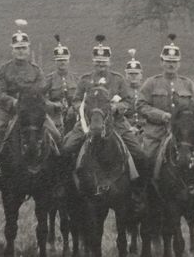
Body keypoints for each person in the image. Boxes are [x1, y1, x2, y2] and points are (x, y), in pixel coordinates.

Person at [0, 20, 59, 179]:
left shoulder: (36, 70)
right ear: (12, 50)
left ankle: (58, 170)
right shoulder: (4, 70)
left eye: (23, 48)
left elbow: (41, 93)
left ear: (28, 49)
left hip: (31, 111)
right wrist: (13, 103)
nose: (20, 51)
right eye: (17, 48)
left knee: (56, 134)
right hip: (6, 110)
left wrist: (32, 104)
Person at [61, 35, 143, 171]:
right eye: (98, 62)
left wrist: (117, 107)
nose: (101, 65)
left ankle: (138, 188)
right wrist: (83, 109)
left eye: (103, 62)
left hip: (116, 124)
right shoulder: (85, 80)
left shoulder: (118, 80)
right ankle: (68, 186)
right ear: (93, 62)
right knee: (67, 148)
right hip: (87, 123)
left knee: (139, 153)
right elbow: (76, 100)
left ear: (109, 62)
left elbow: (128, 101)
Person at [137, 35, 194, 171]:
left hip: (183, 133)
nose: (171, 65)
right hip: (157, 132)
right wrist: (161, 115)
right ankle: (146, 191)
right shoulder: (151, 83)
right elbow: (141, 105)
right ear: (161, 62)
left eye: (174, 62)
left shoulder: (187, 84)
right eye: (168, 61)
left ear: (179, 64)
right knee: (147, 159)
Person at [43, 35, 79, 133]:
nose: (62, 63)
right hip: (54, 117)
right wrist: (53, 105)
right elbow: (42, 98)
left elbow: (82, 98)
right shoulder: (48, 79)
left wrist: (74, 107)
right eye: (59, 60)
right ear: (55, 62)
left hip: (74, 117)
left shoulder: (76, 79)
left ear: (68, 61)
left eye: (64, 60)